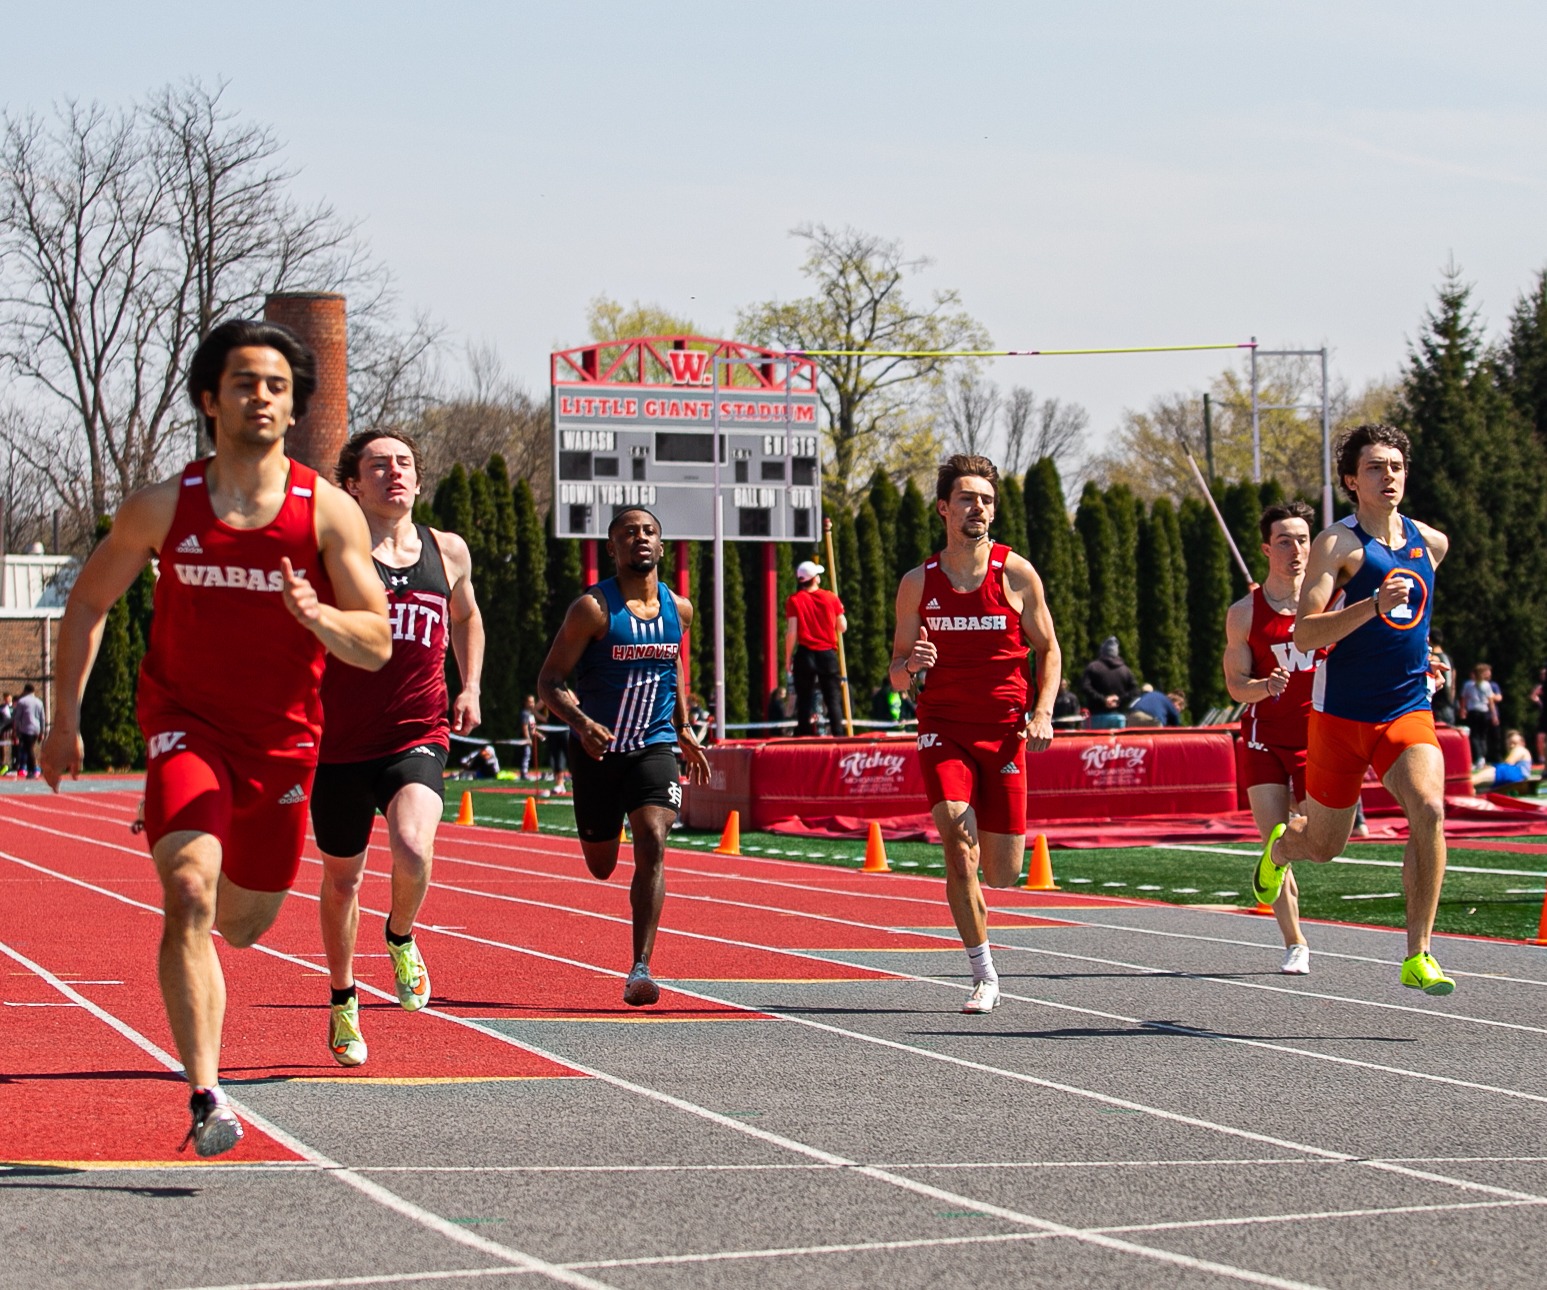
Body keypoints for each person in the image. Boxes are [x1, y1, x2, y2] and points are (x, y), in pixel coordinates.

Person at [40, 319, 390, 1155]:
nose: (261, 397)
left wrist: (319, 615)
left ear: (294, 403)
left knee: (243, 922)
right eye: (243, 383)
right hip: (184, 729)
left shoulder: (327, 513)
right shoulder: (166, 506)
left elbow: (375, 642)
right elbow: (87, 604)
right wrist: (64, 720)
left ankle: (226, 894)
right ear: (210, 399)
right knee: (190, 892)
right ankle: (206, 1094)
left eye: (275, 385)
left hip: (281, 747)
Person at [1252, 424, 1455, 995]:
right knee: (1323, 846)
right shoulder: (1337, 546)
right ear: (1350, 480)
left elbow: (1415, 622)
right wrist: (1369, 604)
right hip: (1340, 715)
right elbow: (1307, 632)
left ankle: (1419, 953)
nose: (1387, 476)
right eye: (1374, 467)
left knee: (1431, 810)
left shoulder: (1431, 544)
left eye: (1394, 466)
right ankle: (1283, 845)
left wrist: (1428, 654)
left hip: (1406, 708)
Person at [310, 429, 484, 1068]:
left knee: (414, 845)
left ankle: (401, 935)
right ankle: (343, 998)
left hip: (417, 733)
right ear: (352, 484)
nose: (395, 473)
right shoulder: (330, 551)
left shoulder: (448, 550)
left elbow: (465, 616)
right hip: (336, 745)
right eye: (378, 465)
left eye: (405, 463)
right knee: (342, 880)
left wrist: (471, 686)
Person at [891, 454, 1060, 1015]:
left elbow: (1048, 649)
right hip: (944, 730)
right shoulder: (919, 582)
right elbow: (895, 669)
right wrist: (911, 664)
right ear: (944, 508)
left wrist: (1043, 712)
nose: (978, 508)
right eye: (967, 498)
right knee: (958, 848)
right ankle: (983, 971)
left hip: (1006, 733)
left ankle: (985, 921)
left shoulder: (1016, 573)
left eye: (986, 499)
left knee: (1004, 871)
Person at [537, 507, 711, 1005]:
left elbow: (673, 668)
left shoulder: (681, 610)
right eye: (628, 533)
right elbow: (549, 682)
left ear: (662, 546)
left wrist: (682, 728)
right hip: (597, 751)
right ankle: (598, 829)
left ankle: (640, 967)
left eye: (649, 532)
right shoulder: (592, 609)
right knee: (601, 865)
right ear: (611, 549)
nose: (640, 539)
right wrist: (582, 723)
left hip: (652, 745)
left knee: (654, 837)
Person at [1223, 500, 1321, 975]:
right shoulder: (1245, 612)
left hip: (1319, 740)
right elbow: (1235, 685)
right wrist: (1265, 686)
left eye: (1303, 539)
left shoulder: (1330, 606)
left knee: (1316, 837)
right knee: (1273, 838)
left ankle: (1282, 859)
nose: (1296, 550)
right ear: (1267, 549)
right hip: (1264, 739)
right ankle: (1295, 941)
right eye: (1285, 541)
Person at [784, 560, 847, 736]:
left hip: (805, 653)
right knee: (832, 698)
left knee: (804, 698)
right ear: (815, 579)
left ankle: (803, 735)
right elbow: (843, 626)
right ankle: (838, 734)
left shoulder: (794, 600)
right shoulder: (830, 598)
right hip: (827, 652)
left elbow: (791, 632)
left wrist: (788, 657)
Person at [1080, 637, 1138, 729]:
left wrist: (1103, 700)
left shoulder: (1093, 667)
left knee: (1096, 743)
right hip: (1119, 717)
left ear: (1102, 651)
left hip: (1096, 717)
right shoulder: (1125, 670)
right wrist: (1119, 700)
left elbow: (1085, 687)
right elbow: (1135, 691)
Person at [1459, 663, 1502, 770]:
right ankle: (1481, 757)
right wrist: (1494, 715)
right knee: (1481, 735)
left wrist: (1463, 709)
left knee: (1476, 735)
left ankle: (1480, 757)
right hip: (1482, 710)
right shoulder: (1485, 684)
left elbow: (1464, 698)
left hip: (1474, 711)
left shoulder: (1469, 684)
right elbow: (1490, 701)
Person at [11, 684, 45, 778]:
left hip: (26, 728)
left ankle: (32, 770)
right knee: (28, 748)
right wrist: (42, 731)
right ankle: (31, 769)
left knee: (29, 749)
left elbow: (17, 718)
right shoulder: (39, 702)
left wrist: (15, 730)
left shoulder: (22, 702)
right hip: (36, 728)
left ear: (25, 690)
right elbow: (42, 718)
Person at [518, 695, 544, 779]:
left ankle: (525, 771)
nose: (532, 704)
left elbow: (532, 729)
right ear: (525, 703)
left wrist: (539, 735)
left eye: (533, 702)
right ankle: (523, 773)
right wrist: (527, 738)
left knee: (528, 755)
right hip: (525, 739)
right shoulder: (524, 713)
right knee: (526, 755)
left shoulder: (531, 714)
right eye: (530, 702)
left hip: (530, 738)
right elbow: (524, 727)